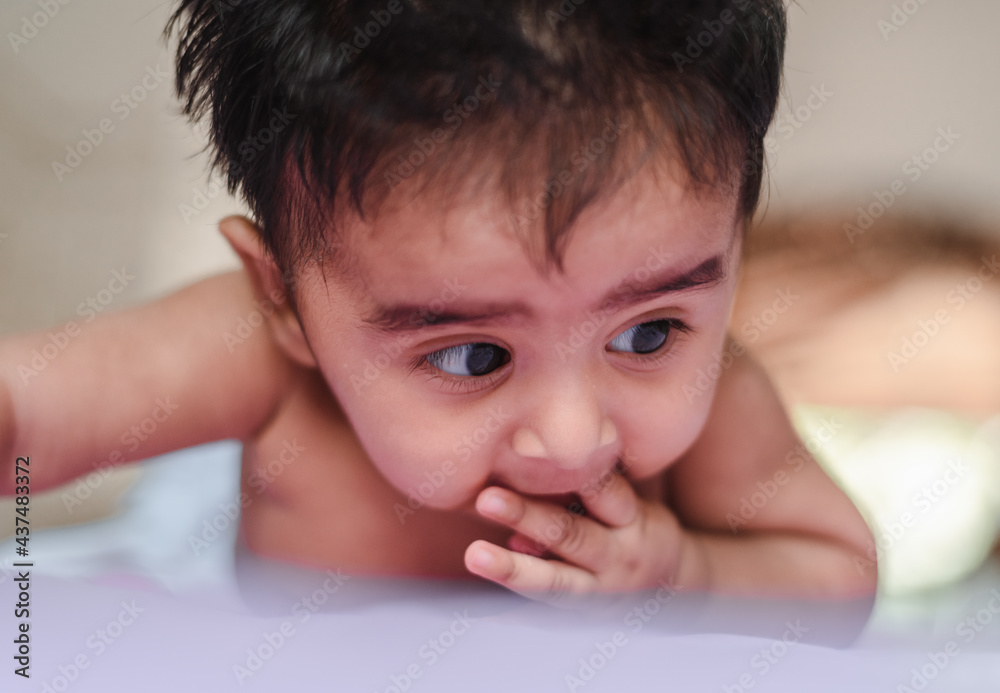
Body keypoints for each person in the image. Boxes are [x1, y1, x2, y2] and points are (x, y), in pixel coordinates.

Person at [0, 0, 875, 606]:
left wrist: (682, 572)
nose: (574, 440)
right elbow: (33, 410)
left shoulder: (724, 406)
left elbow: (839, 575)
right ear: (284, 298)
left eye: (648, 332)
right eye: (472, 355)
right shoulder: (255, 356)